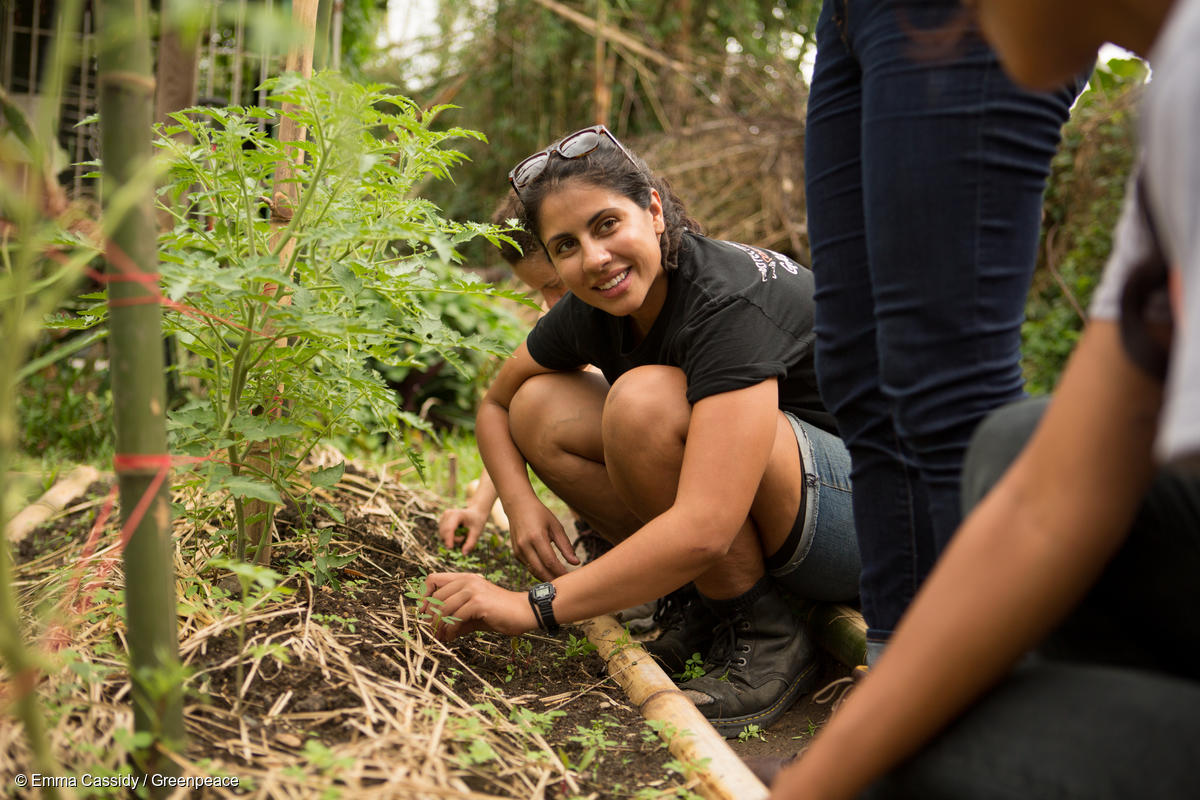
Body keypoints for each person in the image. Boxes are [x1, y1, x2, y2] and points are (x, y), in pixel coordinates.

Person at [772, 0, 1199, 796]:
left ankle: (985, 704)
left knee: (946, 755)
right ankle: (931, 685)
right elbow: (1048, 499)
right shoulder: (1180, 95)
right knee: (1004, 444)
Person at [423, 125, 861, 736]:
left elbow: (707, 526)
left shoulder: (726, 299)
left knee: (644, 402)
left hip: (874, 515)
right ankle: (708, 603)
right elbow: (497, 405)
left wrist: (530, 608)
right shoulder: (595, 306)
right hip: (783, 501)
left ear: (653, 211)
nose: (594, 258)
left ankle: (767, 634)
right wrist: (518, 504)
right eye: (566, 246)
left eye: (607, 225)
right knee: (537, 406)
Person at [803, 0, 1085, 664]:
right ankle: (901, 677)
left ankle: (1002, 696)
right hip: (849, 16)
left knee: (946, 377)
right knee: (856, 366)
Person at [437, 193, 599, 559]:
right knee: (538, 400)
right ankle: (601, 538)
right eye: (540, 290)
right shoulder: (561, 322)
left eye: (557, 285)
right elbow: (506, 411)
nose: (552, 303)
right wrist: (481, 506)